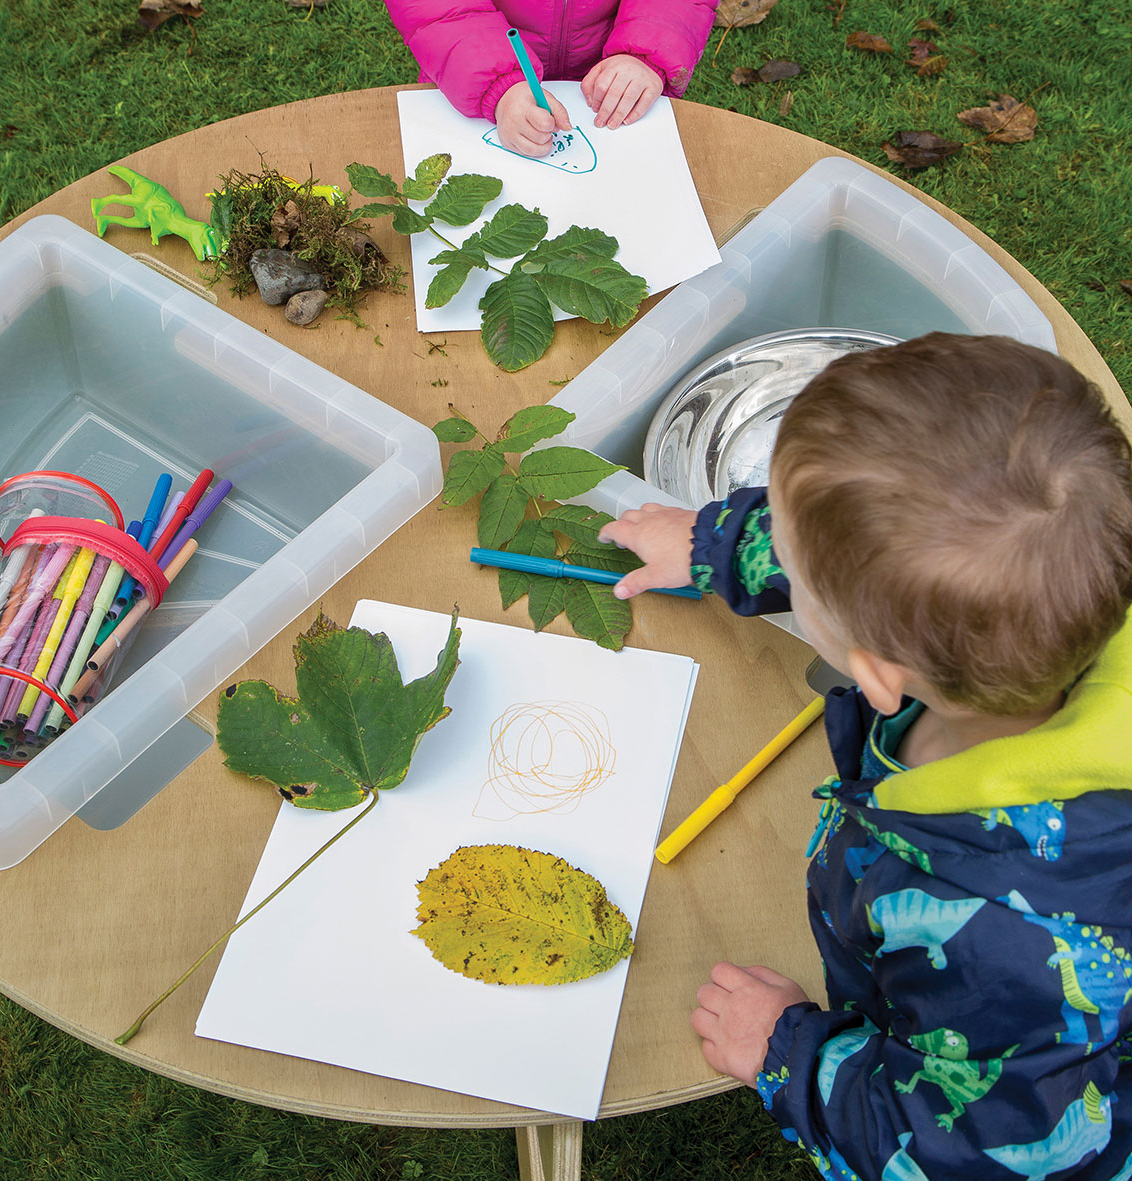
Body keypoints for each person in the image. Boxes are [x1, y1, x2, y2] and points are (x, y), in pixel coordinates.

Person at [599, 332, 1132, 1179]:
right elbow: (878, 546)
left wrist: (790, 1052)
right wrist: (711, 544)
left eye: (790, 557)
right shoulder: (1075, 580)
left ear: (881, 675)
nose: (779, 544)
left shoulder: (1004, 951)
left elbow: (958, 1154)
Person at [383, 1, 718, 157]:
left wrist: (646, 52)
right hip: (472, 69)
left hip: (608, 72)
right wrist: (498, 83)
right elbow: (440, 10)